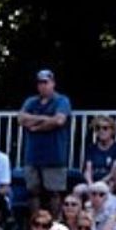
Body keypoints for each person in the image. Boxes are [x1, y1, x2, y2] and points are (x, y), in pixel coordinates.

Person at [17, 68, 72, 214]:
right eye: (40, 83)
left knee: (54, 193)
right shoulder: (31, 101)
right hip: (33, 156)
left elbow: (59, 120)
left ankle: (54, 225)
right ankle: (35, 223)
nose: (43, 86)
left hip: (54, 155)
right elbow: (21, 118)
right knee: (32, 192)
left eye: (46, 82)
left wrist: (36, 125)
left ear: (53, 83)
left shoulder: (62, 100)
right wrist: (47, 119)